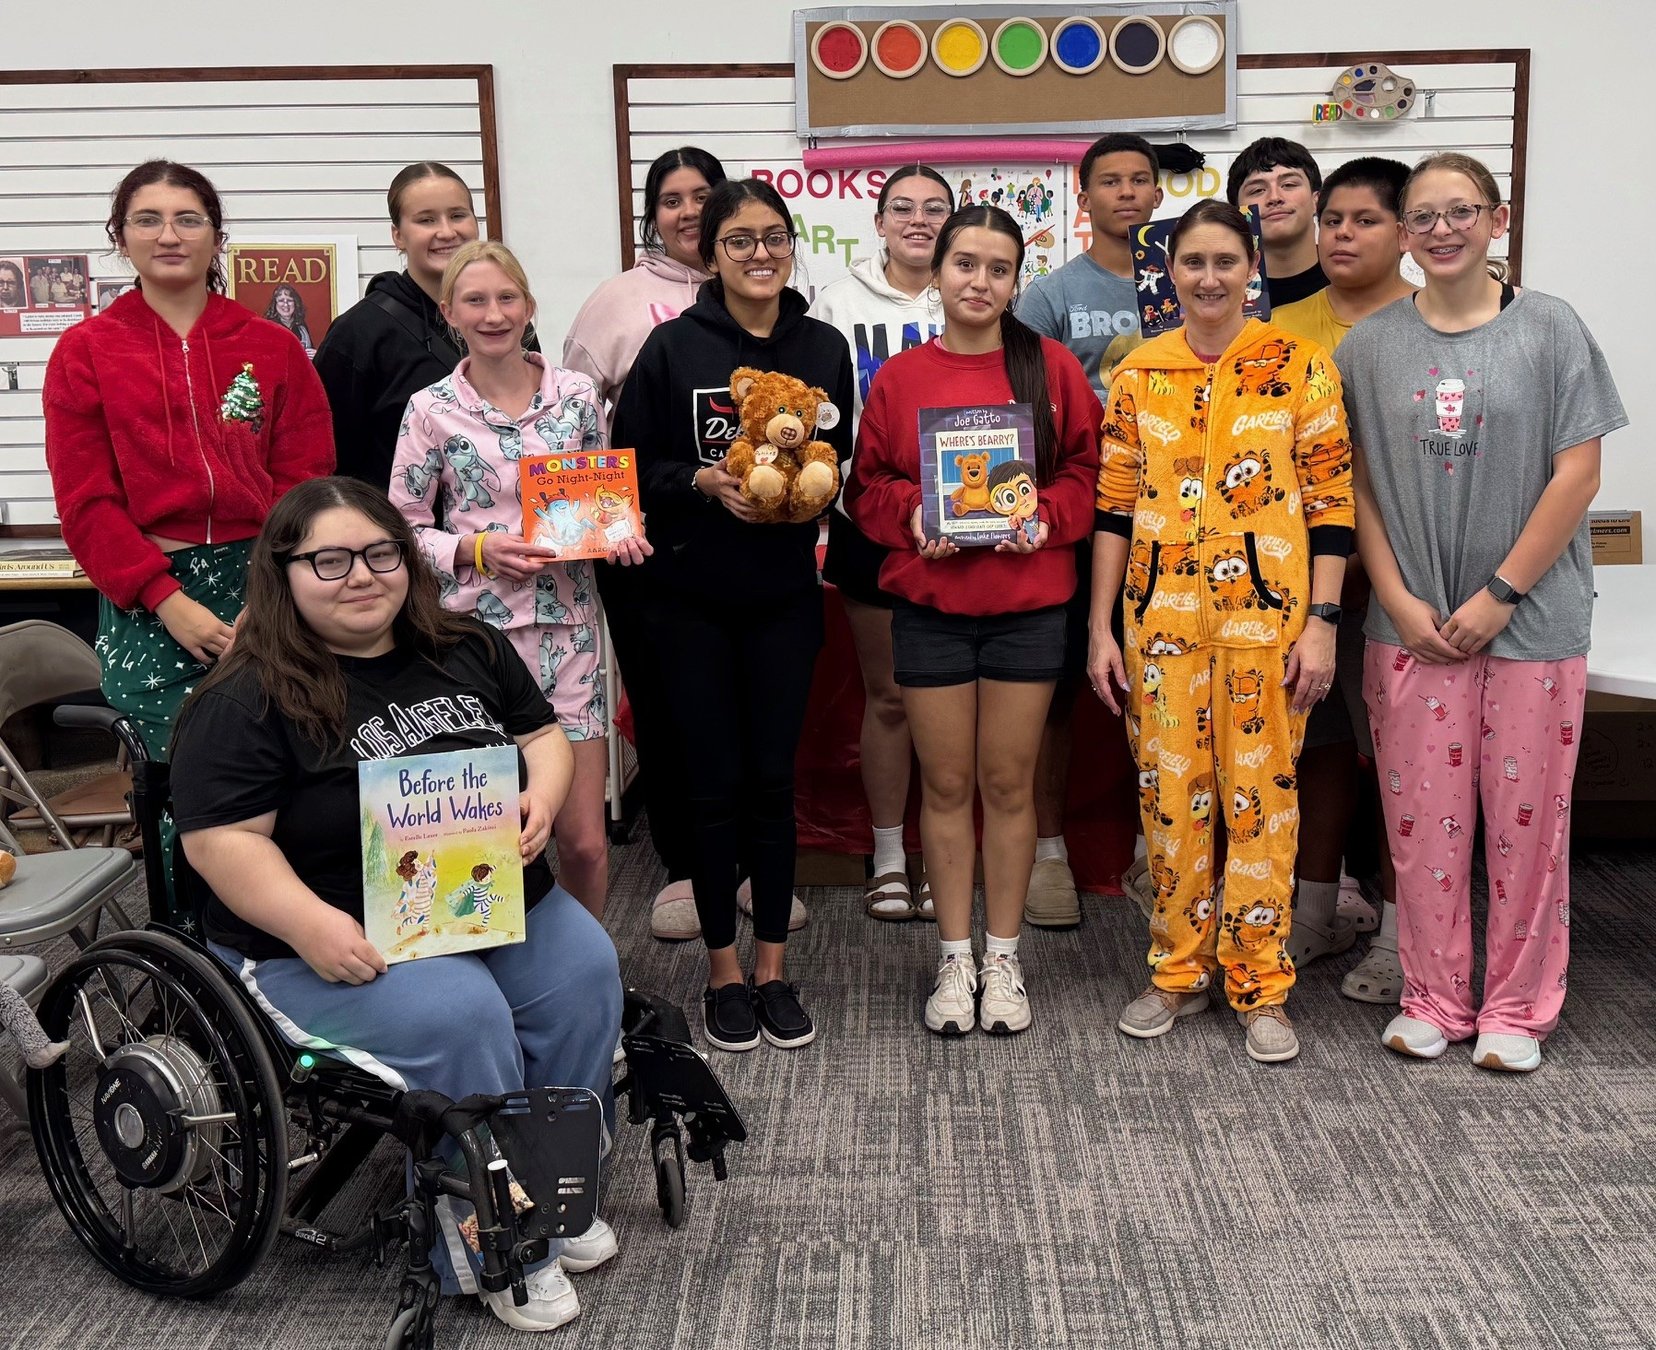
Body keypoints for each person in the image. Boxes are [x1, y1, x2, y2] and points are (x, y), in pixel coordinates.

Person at [169, 476, 623, 1332]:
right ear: (284, 572)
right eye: (329, 560)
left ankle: (558, 1185)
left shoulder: (466, 647)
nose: (361, 576)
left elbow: (539, 735)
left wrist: (543, 795)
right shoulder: (246, 697)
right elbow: (221, 841)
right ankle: (490, 1240)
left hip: (487, 902)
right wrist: (311, 923)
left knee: (588, 971)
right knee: (463, 1016)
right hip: (327, 933)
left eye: (380, 554)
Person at [1338, 152, 1625, 1073]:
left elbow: (1578, 472)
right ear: (1404, 235)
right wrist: (1393, 596)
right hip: (1412, 625)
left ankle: (1515, 1009)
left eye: (1461, 211)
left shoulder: (1550, 330)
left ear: (1498, 222)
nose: (1441, 230)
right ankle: (1433, 997)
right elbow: (1359, 490)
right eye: (1422, 217)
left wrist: (1501, 595)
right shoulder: (1369, 346)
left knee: (1527, 826)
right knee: (1420, 825)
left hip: (1530, 625)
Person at [1088, 198, 1354, 1064]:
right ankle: (1176, 971)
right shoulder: (1139, 374)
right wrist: (1100, 628)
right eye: (1192, 262)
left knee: (1264, 803)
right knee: (1170, 803)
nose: (1209, 278)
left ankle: (1261, 983)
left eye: (1226, 263)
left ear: (1253, 270)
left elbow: (1331, 505)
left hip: (1268, 627)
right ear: (1170, 273)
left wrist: (1320, 624)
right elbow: (1114, 508)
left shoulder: (1299, 365)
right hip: (1159, 625)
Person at [43, 159, 334, 920]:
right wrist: (167, 601)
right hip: (149, 596)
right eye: (148, 219)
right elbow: (86, 504)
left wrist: (270, 596)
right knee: (182, 786)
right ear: (121, 237)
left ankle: (291, 943)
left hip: (271, 581)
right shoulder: (86, 352)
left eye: (188, 218)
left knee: (292, 765)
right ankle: (191, 959)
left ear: (216, 236)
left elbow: (305, 481)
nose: (168, 235)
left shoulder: (270, 347)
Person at [611, 177, 853, 1053]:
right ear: (708, 254)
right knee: (710, 791)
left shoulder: (823, 346)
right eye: (741, 240)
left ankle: (775, 971)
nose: (761, 254)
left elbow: (838, 449)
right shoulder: (674, 349)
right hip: (689, 603)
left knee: (772, 786)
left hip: (784, 600)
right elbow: (629, 464)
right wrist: (703, 480)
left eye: (775, 237)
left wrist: (799, 494)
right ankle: (723, 973)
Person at [847, 204, 1101, 1037]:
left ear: (1015, 280)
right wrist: (916, 515)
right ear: (938, 270)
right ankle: (954, 956)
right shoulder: (901, 378)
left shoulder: (1051, 367)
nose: (979, 282)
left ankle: (1004, 954)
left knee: (1006, 783)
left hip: (1028, 609)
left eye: (997, 268)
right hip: (931, 609)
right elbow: (868, 486)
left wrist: (1046, 518)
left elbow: (1085, 476)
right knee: (947, 784)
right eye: (965, 264)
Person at [390, 240, 644, 920]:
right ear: (450, 312)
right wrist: (475, 549)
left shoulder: (577, 397)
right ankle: (503, 977)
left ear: (529, 307)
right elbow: (400, 533)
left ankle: (587, 978)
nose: (494, 313)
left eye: (507, 298)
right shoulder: (430, 409)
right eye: (475, 299)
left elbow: (603, 503)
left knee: (585, 843)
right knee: (488, 840)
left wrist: (621, 534)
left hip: (571, 637)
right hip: (474, 645)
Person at [562, 146, 728, 940]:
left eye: (704, 196)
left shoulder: (765, 290)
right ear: (651, 215)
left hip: (746, 548)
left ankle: (745, 866)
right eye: (672, 200)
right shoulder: (616, 301)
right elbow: (573, 423)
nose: (690, 211)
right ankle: (687, 868)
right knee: (665, 711)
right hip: (648, 549)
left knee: (741, 713)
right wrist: (605, 530)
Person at [1272, 157, 1417, 993]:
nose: (1341, 235)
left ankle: (1406, 935)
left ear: (1403, 232)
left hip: (1405, 582)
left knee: (1402, 763)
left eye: (1364, 220)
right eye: (1332, 220)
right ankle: (1316, 910)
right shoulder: (1282, 325)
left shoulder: (1436, 322)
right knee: (1316, 752)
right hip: (1306, 583)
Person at [1015, 132, 1163, 929]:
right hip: (1082, 522)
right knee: (1058, 696)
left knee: (1167, 692)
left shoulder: (1187, 282)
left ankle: (1158, 852)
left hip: (1179, 526)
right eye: (1112, 181)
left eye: (1142, 180)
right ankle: (1048, 855)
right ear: (1085, 195)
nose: (1129, 193)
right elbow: (1030, 417)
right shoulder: (1050, 295)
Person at [810, 163, 948, 923]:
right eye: (904, 208)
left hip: (967, 528)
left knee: (951, 700)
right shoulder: (836, 301)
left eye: (934, 209)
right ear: (880, 219)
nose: (918, 221)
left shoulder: (976, 294)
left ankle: (941, 854)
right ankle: (890, 857)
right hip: (872, 522)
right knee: (890, 695)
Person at [315, 162, 499, 490]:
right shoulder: (358, 334)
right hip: (399, 534)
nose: (446, 232)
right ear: (397, 235)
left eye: (458, 215)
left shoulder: (506, 321)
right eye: (426, 220)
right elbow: (329, 462)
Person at [1227, 137, 1327, 307]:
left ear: (1317, 200)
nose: (1274, 198)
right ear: (1238, 212)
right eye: (1258, 190)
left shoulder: (1351, 279)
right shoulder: (1221, 292)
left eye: (1288, 185)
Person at [264, 282, 315, 357]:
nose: (286, 304)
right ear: (275, 304)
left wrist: (316, 355)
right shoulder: (268, 328)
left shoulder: (302, 328)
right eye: (281, 301)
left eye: (289, 300)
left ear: (296, 303)